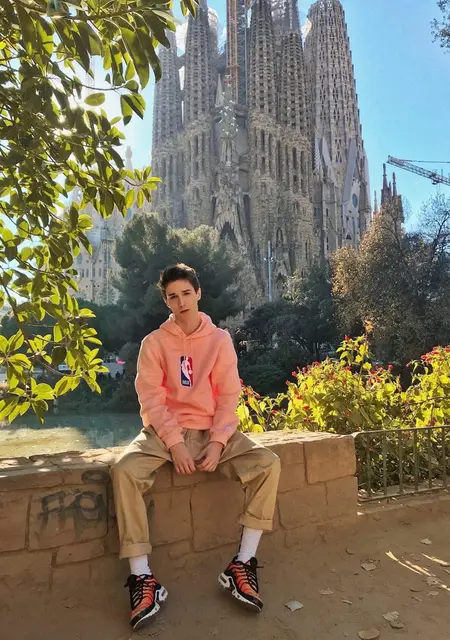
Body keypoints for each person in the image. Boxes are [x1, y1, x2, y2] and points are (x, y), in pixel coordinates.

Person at [110, 264, 281, 630]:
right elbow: (151, 399)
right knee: (124, 471)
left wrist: (217, 443)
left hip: (211, 431)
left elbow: (228, 394)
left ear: (198, 293)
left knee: (268, 464)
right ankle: (142, 578)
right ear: (166, 301)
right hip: (164, 433)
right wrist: (175, 444)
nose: (181, 302)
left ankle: (242, 564)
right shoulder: (154, 343)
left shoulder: (219, 340)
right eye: (173, 296)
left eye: (187, 293)